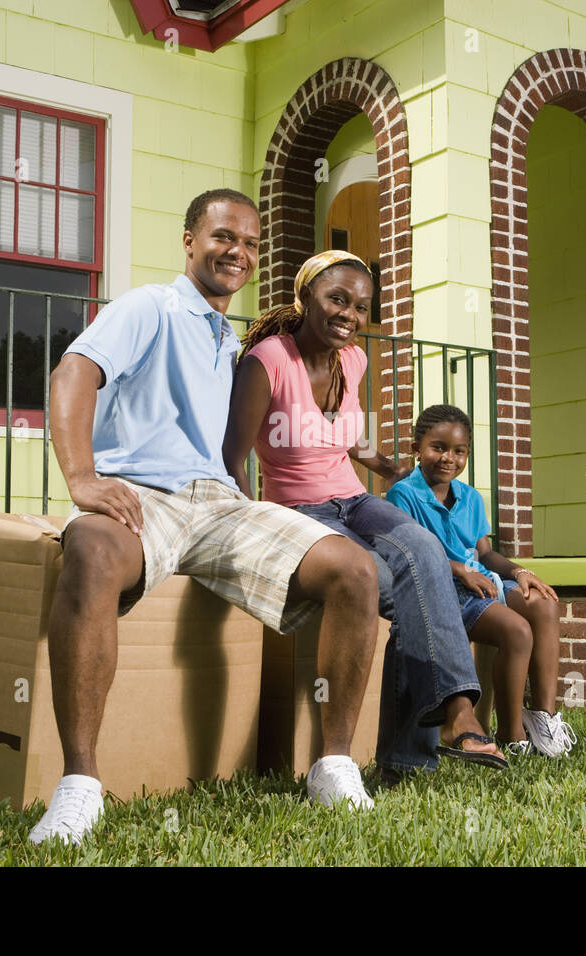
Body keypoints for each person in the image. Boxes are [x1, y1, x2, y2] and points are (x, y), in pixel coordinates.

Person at [32, 191, 382, 846]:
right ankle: (80, 785)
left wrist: (257, 502)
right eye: (224, 237)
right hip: (147, 494)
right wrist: (83, 476)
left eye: (251, 244)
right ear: (190, 240)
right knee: (90, 551)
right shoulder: (149, 307)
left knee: (355, 570)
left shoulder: (231, 340)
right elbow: (73, 372)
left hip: (221, 505)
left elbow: (235, 444)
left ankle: (333, 766)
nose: (238, 253)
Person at [223, 250, 507, 784]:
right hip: (296, 507)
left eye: (360, 306)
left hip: (354, 499)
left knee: (422, 549)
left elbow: (348, 435)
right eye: (337, 299)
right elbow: (233, 456)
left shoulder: (352, 359)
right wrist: (246, 522)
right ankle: (426, 738)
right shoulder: (268, 360)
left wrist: (389, 468)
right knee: (388, 579)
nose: (349, 315)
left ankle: (451, 718)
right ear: (306, 296)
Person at [386, 404, 577, 757]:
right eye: (438, 448)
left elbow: (485, 553)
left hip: (484, 581)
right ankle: (511, 734)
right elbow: (404, 552)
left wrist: (521, 573)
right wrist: (460, 570)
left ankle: (544, 720)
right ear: (416, 449)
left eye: (459, 451)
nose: (449, 459)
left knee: (544, 605)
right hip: (445, 589)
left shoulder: (471, 497)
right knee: (517, 632)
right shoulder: (404, 494)